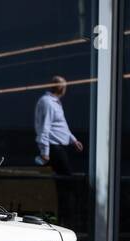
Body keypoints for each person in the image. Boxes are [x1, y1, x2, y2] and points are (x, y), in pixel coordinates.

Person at [34, 76, 83, 228]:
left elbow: (61, 126)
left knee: (64, 183)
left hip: (59, 146)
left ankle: (64, 217)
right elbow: (45, 127)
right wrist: (45, 151)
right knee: (67, 182)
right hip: (54, 147)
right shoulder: (48, 103)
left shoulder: (55, 102)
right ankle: (65, 219)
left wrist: (73, 140)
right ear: (61, 88)